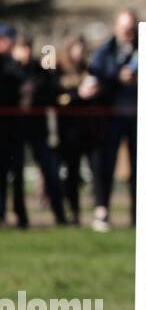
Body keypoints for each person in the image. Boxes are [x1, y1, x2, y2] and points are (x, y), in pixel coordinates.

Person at [89, 9, 140, 232]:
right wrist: (117, 76)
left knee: (140, 168)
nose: (127, 33)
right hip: (111, 117)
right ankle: (102, 210)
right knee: (105, 165)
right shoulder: (106, 50)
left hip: (139, 118)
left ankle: (138, 215)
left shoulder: (144, 49)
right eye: (124, 28)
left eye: (131, 29)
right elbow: (95, 72)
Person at [13, 34, 68, 225]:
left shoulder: (40, 69)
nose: (26, 52)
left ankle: (60, 215)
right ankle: (21, 217)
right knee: (17, 175)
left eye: (28, 47)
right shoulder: (10, 70)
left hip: (38, 130)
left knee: (50, 173)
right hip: (16, 130)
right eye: (22, 48)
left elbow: (52, 94)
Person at [56, 35, 102, 226]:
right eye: (76, 48)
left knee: (97, 171)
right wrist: (77, 95)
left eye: (82, 49)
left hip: (89, 130)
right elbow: (56, 96)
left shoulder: (89, 70)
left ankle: (99, 211)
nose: (79, 52)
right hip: (69, 131)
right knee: (72, 173)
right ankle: (74, 212)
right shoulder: (59, 70)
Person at [0, 24, 27, 227]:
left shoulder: (22, 63)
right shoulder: (8, 64)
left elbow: (49, 71)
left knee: (17, 174)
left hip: (17, 128)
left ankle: (20, 215)